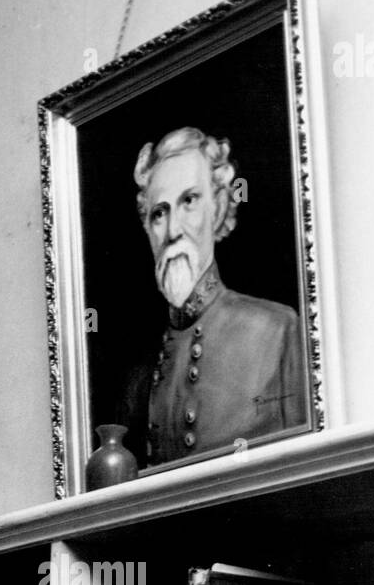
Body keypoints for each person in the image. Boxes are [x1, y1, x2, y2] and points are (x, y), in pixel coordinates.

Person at [120, 126, 308, 466]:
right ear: (148, 227)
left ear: (218, 207)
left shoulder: (278, 330)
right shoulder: (138, 378)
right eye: (159, 213)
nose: (173, 229)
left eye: (189, 201)